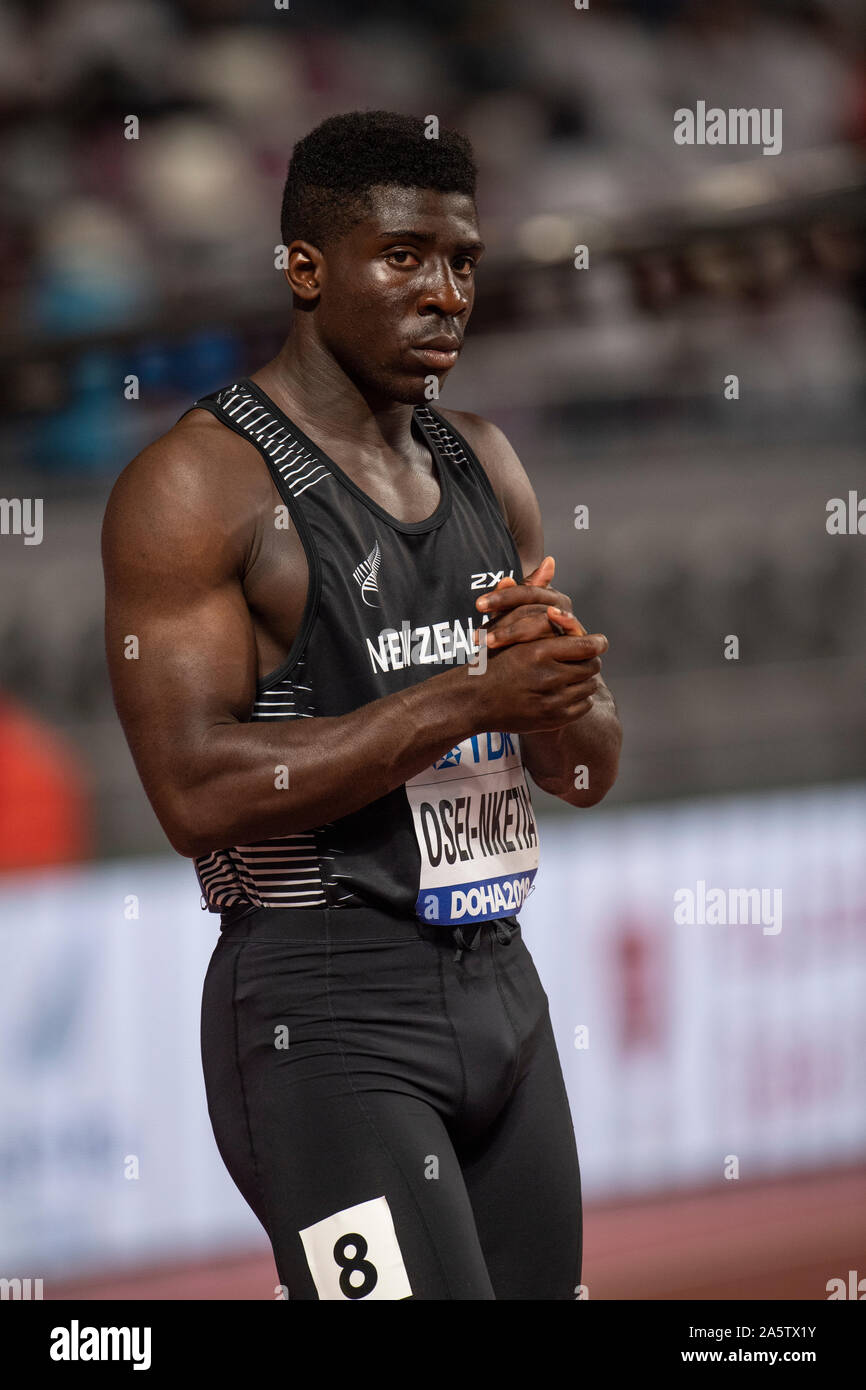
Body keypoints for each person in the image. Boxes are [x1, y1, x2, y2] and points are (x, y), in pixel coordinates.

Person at [102, 110, 621, 1300]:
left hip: (502, 987)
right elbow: (191, 792)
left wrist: (557, 695)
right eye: (401, 257)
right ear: (303, 269)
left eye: (462, 262)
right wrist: (465, 696)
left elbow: (586, 772)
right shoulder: (198, 486)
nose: (442, 292)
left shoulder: (485, 462)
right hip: (325, 1015)